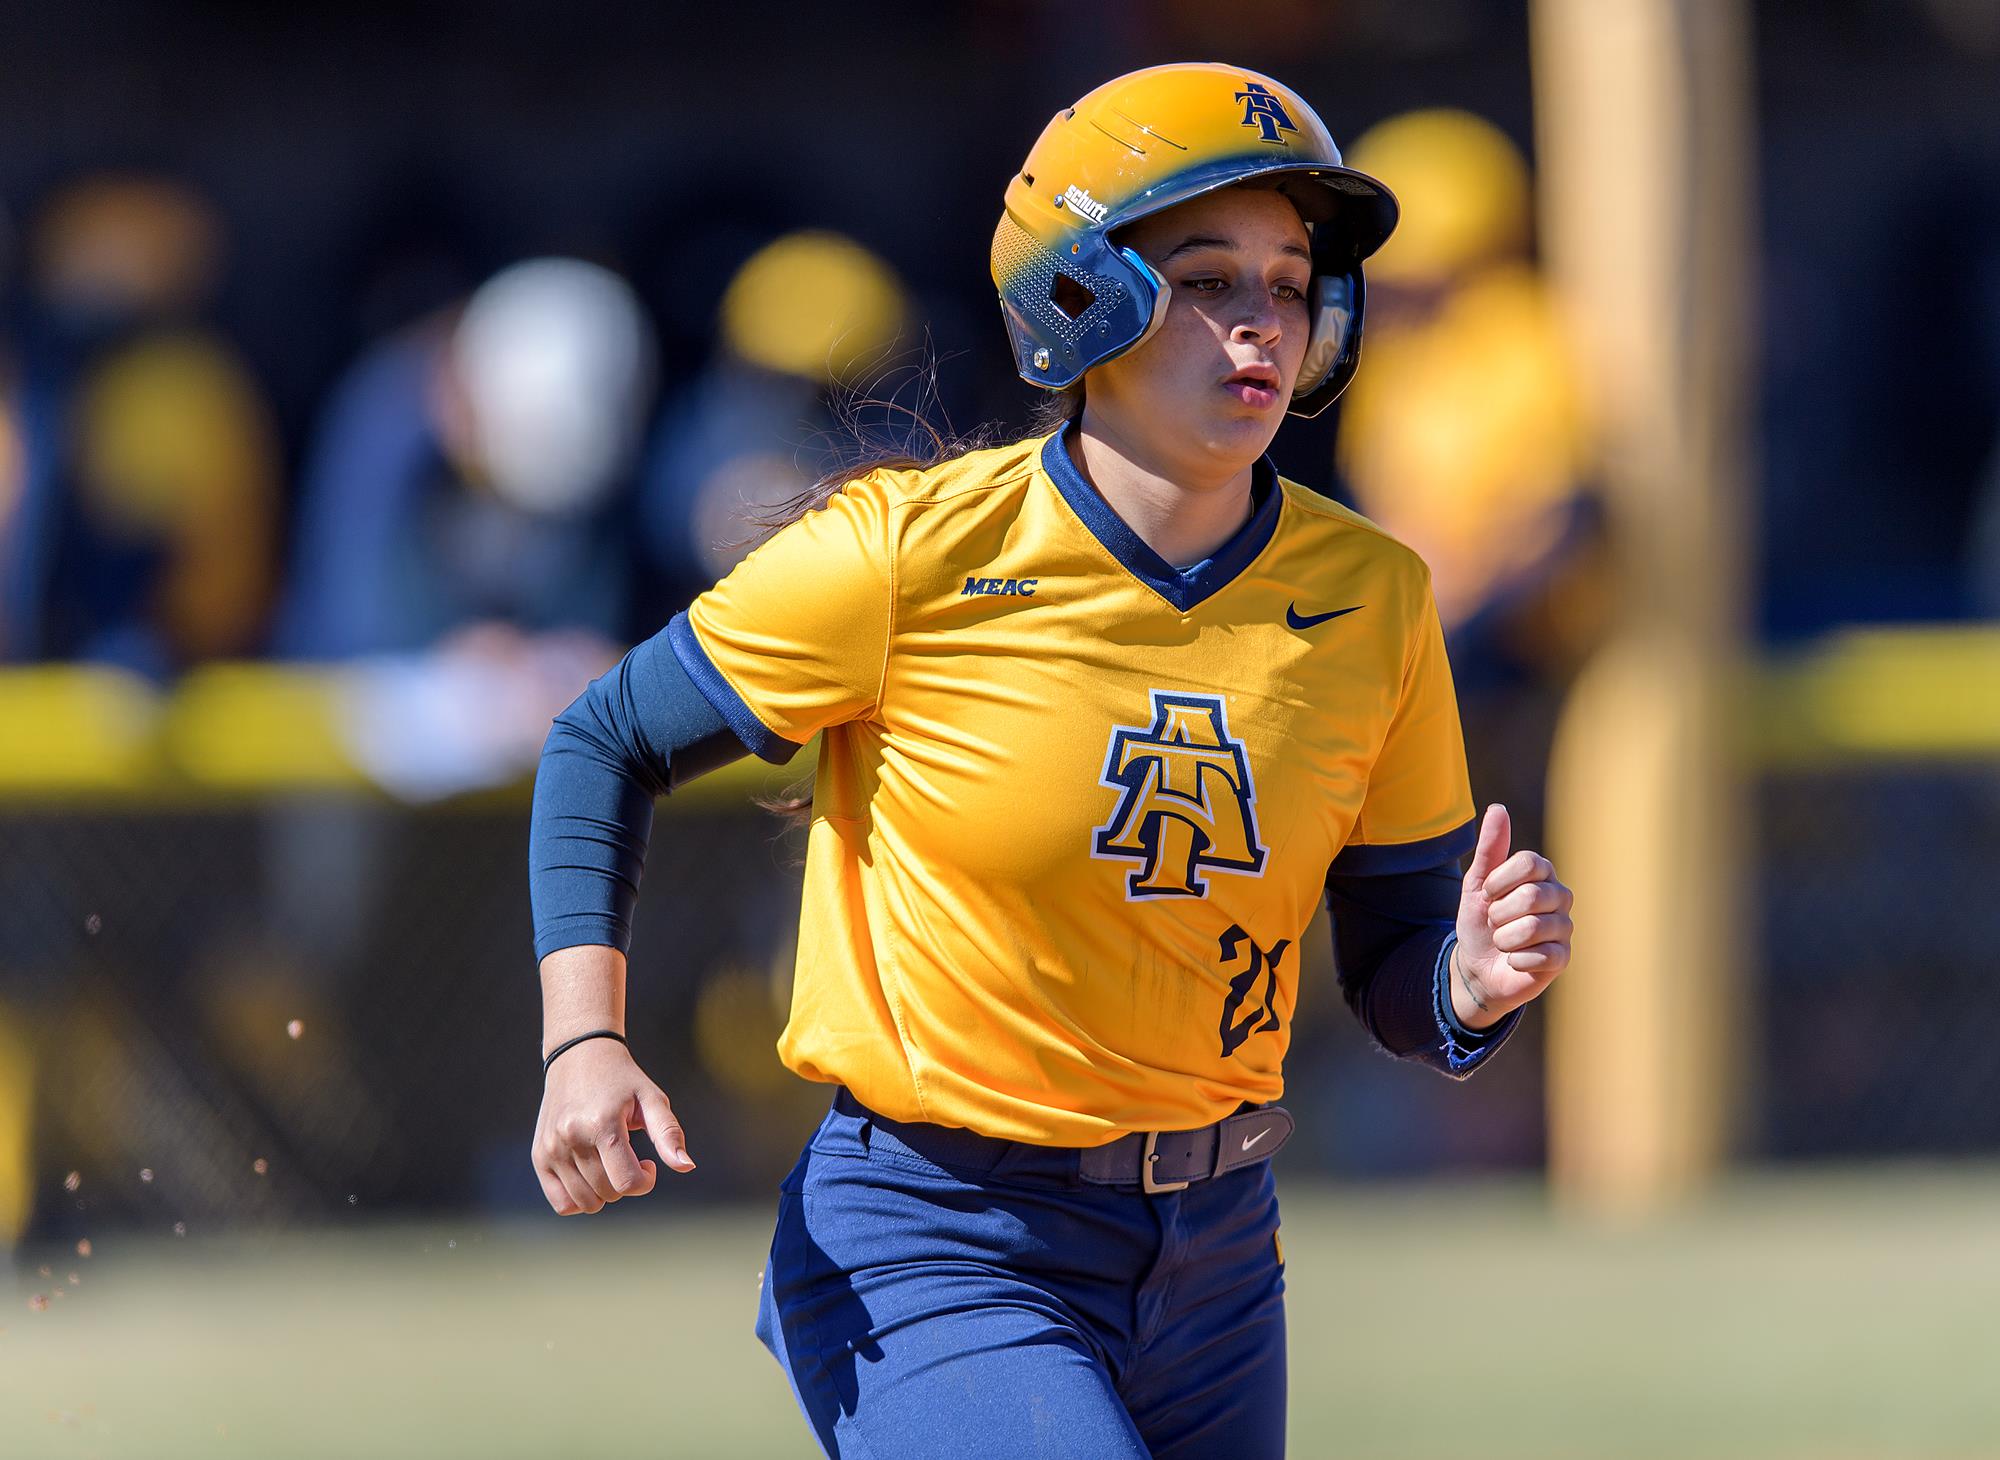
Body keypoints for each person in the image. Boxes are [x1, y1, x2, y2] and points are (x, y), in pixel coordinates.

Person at [528, 63, 1575, 1459]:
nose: (1262, 317)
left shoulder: (1372, 595)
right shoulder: (912, 552)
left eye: (1288, 277)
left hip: (1216, 1262)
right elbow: (604, 740)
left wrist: (1463, 978)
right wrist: (583, 1044)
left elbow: (1396, 964)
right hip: (936, 1235)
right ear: (1079, 292)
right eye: (1207, 277)